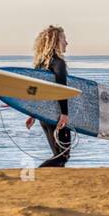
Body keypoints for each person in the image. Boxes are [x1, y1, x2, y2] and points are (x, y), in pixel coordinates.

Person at [26, 25, 72, 168]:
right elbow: (61, 90)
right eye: (64, 39)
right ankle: (39, 172)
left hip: (44, 117)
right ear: (56, 41)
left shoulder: (40, 65)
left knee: (58, 155)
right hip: (56, 116)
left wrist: (32, 113)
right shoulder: (58, 63)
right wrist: (64, 114)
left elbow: (35, 91)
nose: (66, 43)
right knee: (62, 156)